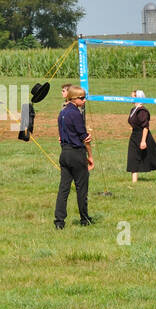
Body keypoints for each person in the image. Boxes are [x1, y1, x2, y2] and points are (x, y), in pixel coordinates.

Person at [54, 85, 94, 228]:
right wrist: (90, 156)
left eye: (85, 98)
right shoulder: (76, 114)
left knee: (63, 189)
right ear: (73, 98)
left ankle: (59, 221)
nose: (84, 101)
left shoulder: (62, 113)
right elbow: (85, 138)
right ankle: (84, 218)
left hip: (64, 153)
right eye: (81, 98)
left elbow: (61, 135)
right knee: (81, 188)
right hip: (76, 153)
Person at [126, 90, 156, 184]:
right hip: (134, 135)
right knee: (133, 157)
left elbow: (145, 127)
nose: (130, 98)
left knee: (151, 157)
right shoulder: (133, 109)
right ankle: (134, 182)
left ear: (138, 97)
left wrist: (143, 141)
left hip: (144, 136)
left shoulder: (142, 111)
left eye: (132, 96)